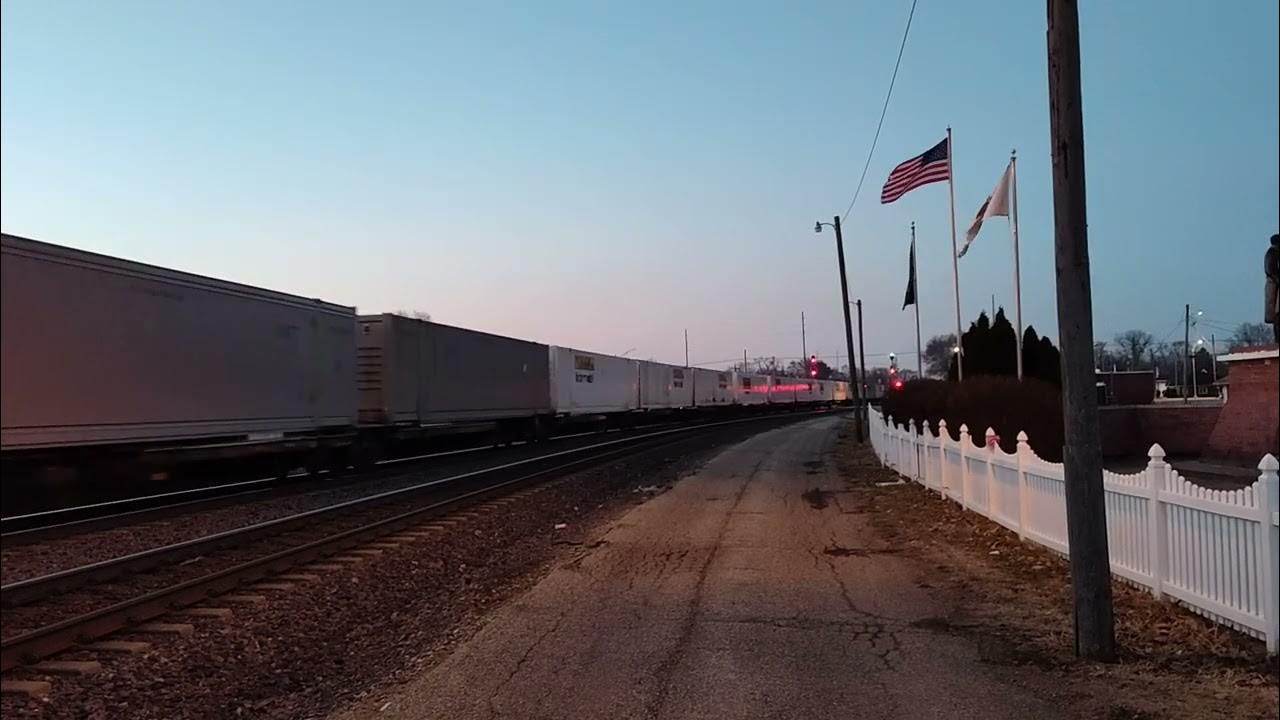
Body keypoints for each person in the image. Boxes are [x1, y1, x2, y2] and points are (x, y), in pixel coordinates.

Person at [1268, 233, 1279, 344]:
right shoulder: (1272, 253)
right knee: (1276, 314)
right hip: (1274, 286)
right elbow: (1270, 270)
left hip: (1274, 285)